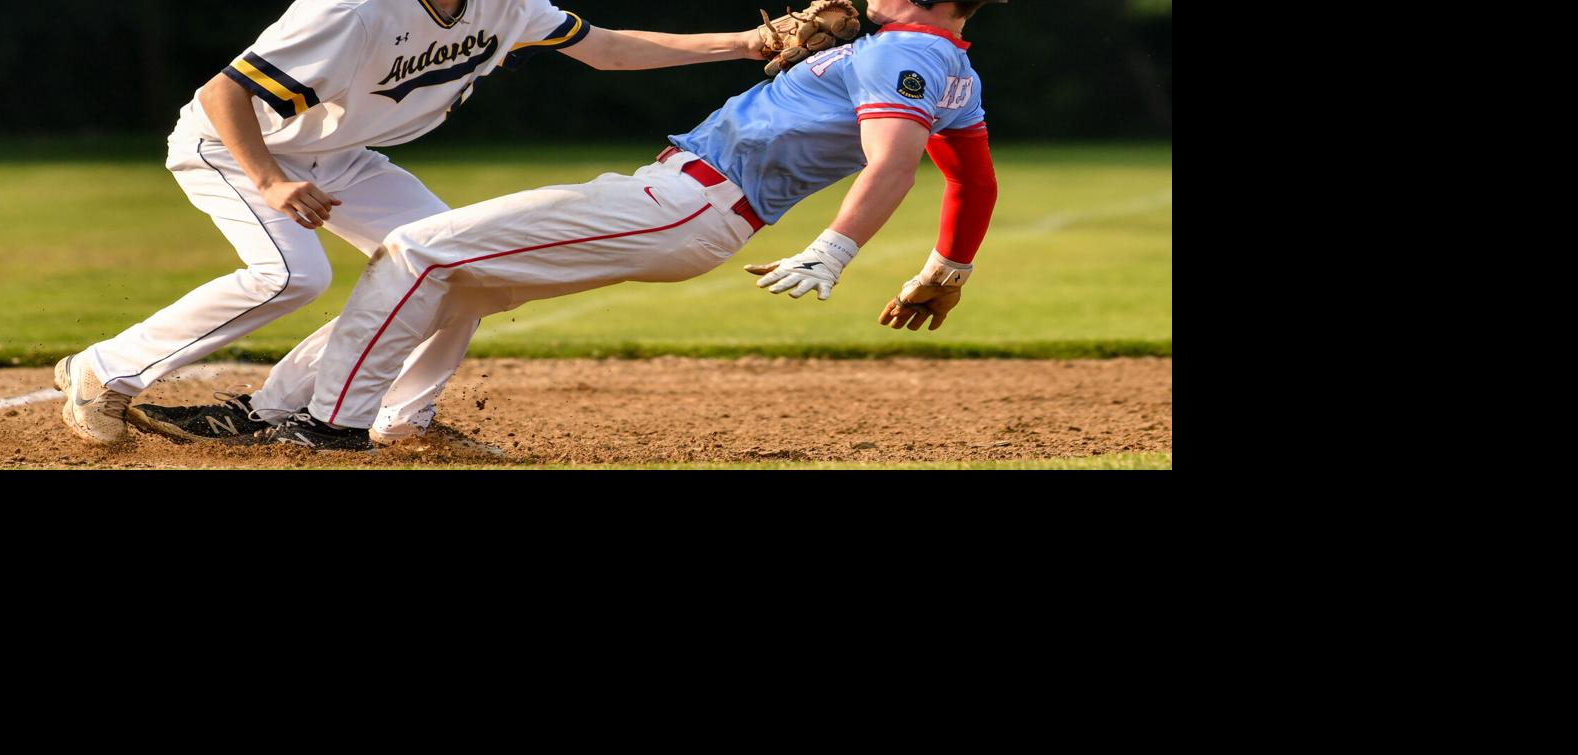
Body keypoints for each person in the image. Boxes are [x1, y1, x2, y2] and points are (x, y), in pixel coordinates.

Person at [208, 0, 1005, 451]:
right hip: (684, 202)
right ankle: (305, 413)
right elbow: (974, 178)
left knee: (416, 248)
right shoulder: (949, 66)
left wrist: (837, 246)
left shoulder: (907, 52)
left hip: (686, 202)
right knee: (456, 279)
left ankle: (329, 429)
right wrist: (948, 270)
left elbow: (893, 159)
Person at [55, 0, 768, 446]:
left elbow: (606, 48)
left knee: (459, 263)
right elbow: (222, 93)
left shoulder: (506, 4)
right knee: (292, 276)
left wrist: (743, 44)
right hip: (238, 150)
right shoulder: (353, 9)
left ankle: (403, 419)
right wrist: (270, 181)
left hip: (339, 154)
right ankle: (105, 370)